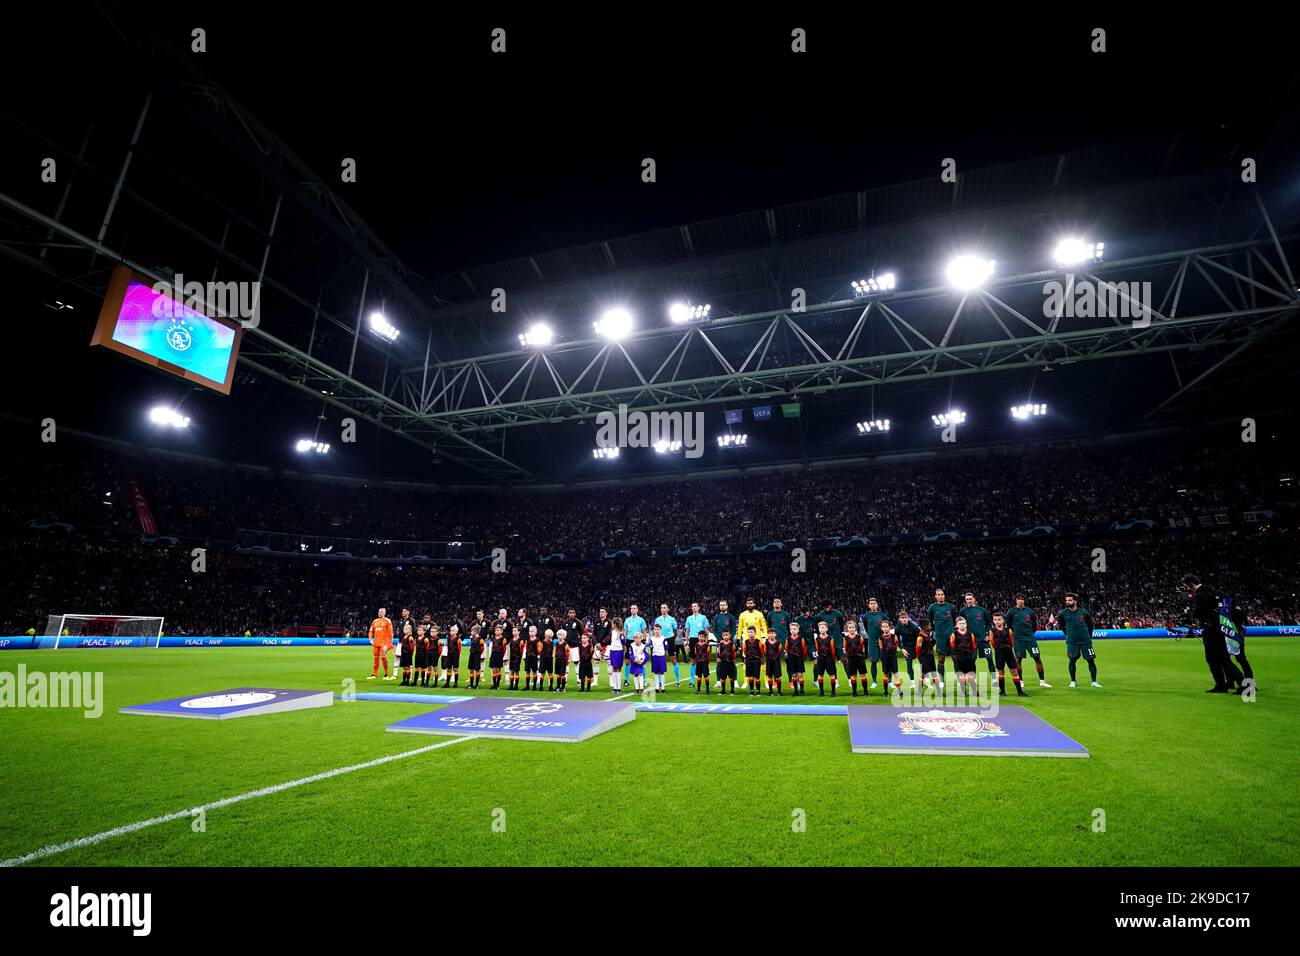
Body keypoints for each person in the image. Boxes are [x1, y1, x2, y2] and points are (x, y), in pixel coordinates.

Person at [1182, 575, 1247, 694]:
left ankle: (1238, 685)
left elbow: (1198, 614)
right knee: (1221, 659)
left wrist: (1189, 612)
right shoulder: (1213, 590)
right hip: (1221, 627)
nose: (1187, 589)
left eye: (1187, 586)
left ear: (1191, 583)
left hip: (1210, 629)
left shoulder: (1200, 595)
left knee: (1215, 659)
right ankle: (1223, 685)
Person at [1007, 594, 1051, 688]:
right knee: (1018, 659)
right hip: (1018, 639)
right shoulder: (1011, 612)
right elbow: (1009, 626)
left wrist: (1029, 633)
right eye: (1019, 599)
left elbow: (1034, 626)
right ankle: (1020, 681)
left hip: (1030, 639)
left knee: (1037, 657)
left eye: (1022, 599)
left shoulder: (1030, 612)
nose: (1021, 601)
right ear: (1016, 600)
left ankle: (1042, 681)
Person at [1059, 592, 1101, 689]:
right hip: (1072, 642)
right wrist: (1069, 636)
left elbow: (1090, 626)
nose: (1067, 602)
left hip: (1085, 641)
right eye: (1066, 600)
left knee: (1091, 660)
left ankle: (1094, 681)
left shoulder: (1084, 613)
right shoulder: (1062, 614)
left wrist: (1088, 637)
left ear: (1075, 601)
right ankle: (1073, 681)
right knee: (1072, 660)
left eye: (1070, 600)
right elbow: (1063, 627)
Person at [990, 612, 1028, 697]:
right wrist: (998, 649)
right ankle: (1002, 692)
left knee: (1014, 671)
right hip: (998, 652)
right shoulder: (992, 631)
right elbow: (992, 643)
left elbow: (1012, 642)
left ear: (1003, 620)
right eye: (995, 620)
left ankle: (1020, 692)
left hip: (1008, 652)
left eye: (999, 619)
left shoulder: (1009, 630)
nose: (997, 621)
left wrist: (1008, 648)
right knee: (1001, 672)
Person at [926, 588, 957, 689]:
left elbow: (954, 619)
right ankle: (942, 681)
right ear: (935, 596)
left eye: (942, 594)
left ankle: (959, 678)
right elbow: (930, 621)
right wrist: (937, 630)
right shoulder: (932, 608)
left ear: (944, 595)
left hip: (951, 636)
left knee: (955, 658)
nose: (940, 596)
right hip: (940, 637)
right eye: (938, 595)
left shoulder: (950, 607)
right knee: (941, 659)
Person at [959, 593, 995, 675]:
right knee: (972, 660)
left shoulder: (982, 610)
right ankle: (973, 679)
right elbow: (960, 624)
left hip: (983, 640)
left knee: (989, 658)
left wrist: (988, 635)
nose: (969, 601)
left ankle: (994, 679)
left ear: (974, 599)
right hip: (970, 641)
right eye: (967, 599)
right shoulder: (963, 611)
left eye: (970, 599)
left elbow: (989, 624)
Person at [860, 597, 888, 689]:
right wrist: (871, 635)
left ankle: (890, 681)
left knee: (886, 662)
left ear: (877, 605)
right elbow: (866, 627)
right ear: (869, 605)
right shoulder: (866, 616)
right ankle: (874, 681)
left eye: (874, 603)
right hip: (872, 642)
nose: (873, 605)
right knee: (873, 662)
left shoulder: (882, 615)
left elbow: (886, 626)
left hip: (883, 642)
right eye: (871, 604)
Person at [950, 617, 979, 702]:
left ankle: (974, 691)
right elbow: (952, 647)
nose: (962, 625)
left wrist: (974, 656)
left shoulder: (970, 634)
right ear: (956, 625)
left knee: (971, 675)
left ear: (966, 624)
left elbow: (974, 646)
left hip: (969, 657)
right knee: (961, 675)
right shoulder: (954, 634)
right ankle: (963, 692)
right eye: (960, 624)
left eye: (963, 623)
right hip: (959, 657)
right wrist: (954, 658)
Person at [842, 619, 869, 697]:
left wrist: (863, 656)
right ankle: (854, 693)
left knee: (863, 675)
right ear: (847, 629)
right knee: (853, 676)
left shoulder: (860, 637)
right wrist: (846, 657)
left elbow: (863, 648)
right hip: (851, 659)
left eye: (853, 627)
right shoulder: (845, 639)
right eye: (850, 627)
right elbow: (845, 649)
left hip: (860, 658)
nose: (851, 629)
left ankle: (865, 692)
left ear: (855, 628)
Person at [895, 609, 922, 689]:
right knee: (909, 664)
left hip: (916, 645)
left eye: (905, 617)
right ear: (899, 619)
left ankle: (925, 680)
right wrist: (902, 648)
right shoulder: (898, 627)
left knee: (922, 663)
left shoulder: (913, 626)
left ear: (908, 618)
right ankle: (912, 682)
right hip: (906, 647)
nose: (904, 619)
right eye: (902, 618)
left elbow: (920, 637)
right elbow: (896, 639)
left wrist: (919, 647)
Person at [685, 602, 710, 685]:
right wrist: (687, 643)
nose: (693, 608)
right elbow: (687, 631)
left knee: (703, 661)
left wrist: (706, 642)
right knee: (692, 661)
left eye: (695, 606)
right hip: (692, 640)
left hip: (701, 641)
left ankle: (706, 680)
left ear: (698, 608)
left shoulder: (703, 617)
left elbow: (706, 630)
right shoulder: (689, 618)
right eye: (692, 606)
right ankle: (692, 682)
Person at [367, 607, 394, 681]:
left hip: (384, 643)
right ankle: (374, 674)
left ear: (384, 613)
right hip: (376, 643)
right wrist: (370, 639)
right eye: (379, 611)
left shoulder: (387, 621)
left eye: (381, 612)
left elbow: (391, 634)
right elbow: (370, 631)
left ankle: (386, 674)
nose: (380, 613)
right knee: (376, 658)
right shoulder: (375, 621)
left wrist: (389, 644)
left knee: (383, 657)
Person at [878, 619, 903, 696]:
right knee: (885, 674)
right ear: (881, 628)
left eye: (886, 626)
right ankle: (886, 692)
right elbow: (881, 648)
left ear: (889, 627)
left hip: (892, 656)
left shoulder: (894, 636)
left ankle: (900, 692)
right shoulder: (880, 638)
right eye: (883, 627)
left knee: (896, 674)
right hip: (885, 657)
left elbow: (896, 645)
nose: (885, 628)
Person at [624, 604, 647, 685]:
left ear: (637, 610)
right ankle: (626, 680)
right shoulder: (627, 620)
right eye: (631, 609)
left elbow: (644, 631)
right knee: (627, 661)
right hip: (629, 641)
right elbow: (625, 632)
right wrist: (624, 643)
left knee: (641, 661)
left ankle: (644, 680)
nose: (633, 610)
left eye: (634, 608)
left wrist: (643, 641)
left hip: (638, 642)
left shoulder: (641, 620)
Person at [813, 620, 838, 697]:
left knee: (831, 675)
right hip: (820, 658)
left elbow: (833, 650)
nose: (821, 629)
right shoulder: (817, 639)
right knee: (820, 675)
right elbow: (817, 649)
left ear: (826, 629)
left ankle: (833, 691)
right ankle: (821, 691)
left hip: (828, 658)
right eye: (820, 628)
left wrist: (832, 659)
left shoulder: (830, 638)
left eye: (823, 627)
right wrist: (817, 658)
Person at [785, 621, 808, 696]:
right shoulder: (788, 639)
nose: (793, 630)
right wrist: (788, 656)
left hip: (799, 659)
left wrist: (803, 657)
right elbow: (786, 648)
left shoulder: (801, 639)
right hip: (791, 659)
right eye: (791, 629)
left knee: (800, 675)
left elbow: (804, 648)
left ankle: (801, 690)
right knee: (794, 675)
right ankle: (795, 690)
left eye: (794, 629)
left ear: (798, 630)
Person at [592, 607, 612, 688]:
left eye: (603, 612)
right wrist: (596, 643)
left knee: (609, 663)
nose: (601, 613)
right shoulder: (596, 622)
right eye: (600, 612)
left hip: (607, 646)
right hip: (597, 646)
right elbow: (593, 634)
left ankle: (611, 681)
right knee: (596, 662)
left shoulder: (609, 622)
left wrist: (602, 643)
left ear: (606, 613)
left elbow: (610, 634)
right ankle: (595, 681)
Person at [715, 629, 738, 695]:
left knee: (731, 677)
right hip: (723, 663)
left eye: (726, 635)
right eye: (724, 635)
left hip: (730, 663)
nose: (725, 636)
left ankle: (732, 690)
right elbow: (718, 652)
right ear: (722, 636)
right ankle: (723, 690)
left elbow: (734, 653)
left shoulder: (732, 644)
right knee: (723, 677)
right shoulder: (720, 644)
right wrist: (718, 659)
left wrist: (734, 659)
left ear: (729, 635)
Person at [649, 623, 670, 692]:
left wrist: (664, 655)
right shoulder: (652, 639)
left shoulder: (663, 638)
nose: (656, 631)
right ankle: (657, 688)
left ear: (660, 630)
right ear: (653, 630)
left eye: (658, 629)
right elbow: (651, 648)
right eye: (655, 629)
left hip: (661, 656)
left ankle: (663, 688)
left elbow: (666, 648)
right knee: (656, 672)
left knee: (662, 672)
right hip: (654, 656)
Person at [607, 617, 626, 692]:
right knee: (613, 668)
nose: (612, 625)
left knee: (618, 668)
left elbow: (623, 643)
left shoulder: (621, 632)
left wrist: (624, 649)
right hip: (612, 650)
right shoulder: (612, 632)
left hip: (619, 651)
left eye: (613, 623)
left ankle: (619, 688)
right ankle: (615, 687)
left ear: (615, 624)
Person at [763, 627, 784, 696]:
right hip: (769, 661)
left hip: (776, 662)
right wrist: (769, 657)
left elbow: (780, 651)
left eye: (772, 633)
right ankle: (770, 691)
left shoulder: (778, 643)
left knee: (778, 676)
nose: (771, 635)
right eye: (769, 633)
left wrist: (776, 657)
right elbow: (765, 652)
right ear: (768, 635)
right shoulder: (766, 643)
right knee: (770, 676)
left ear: (775, 634)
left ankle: (779, 691)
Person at [442, 623, 462, 687]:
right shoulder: (448, 639)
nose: (452, 632)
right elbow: (447, 646)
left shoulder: (458, 639)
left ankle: (455, 683)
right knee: (448, 669)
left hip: (455, 655)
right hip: (449, 655)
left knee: (455, 669)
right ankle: (447, 683)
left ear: (456, 632)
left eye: (453, 631)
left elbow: (459, 648)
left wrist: (459, 655)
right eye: (451, 631)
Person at [489, 624, 507, 689]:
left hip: (499, 655)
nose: (496, 632)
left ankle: (497, 684)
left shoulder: (503, 639)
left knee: (498, 669)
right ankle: (494, 684)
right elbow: (491, 647)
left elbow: (504, 649)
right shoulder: (493, 638)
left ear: (501, 631)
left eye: (498, 630)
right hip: (493, 655)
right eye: (496, 630)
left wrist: (502, 655)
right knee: (493, 669)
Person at [537, 627, 554, 691]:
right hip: (543, 660)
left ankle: (551, 686)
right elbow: (539, 651)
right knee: (542, 673)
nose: (548, 638)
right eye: (547, 636)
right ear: (545, 636)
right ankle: (541, 686)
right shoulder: (541, 643)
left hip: (550, 660)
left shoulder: (552, 643)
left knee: (550, 673)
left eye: (549, 637)